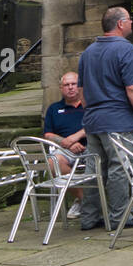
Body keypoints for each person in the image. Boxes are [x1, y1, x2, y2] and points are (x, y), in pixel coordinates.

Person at [76, 6, 133, 232]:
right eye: (130, 20)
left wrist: (91, 113)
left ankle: (89, 218)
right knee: (120, 167)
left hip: (93, 120)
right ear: (120, 24)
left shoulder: (87, 52)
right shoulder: (126, 50)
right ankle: (119, 218)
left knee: (94, 169)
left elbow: (81, 92)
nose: (132, 24)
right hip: (117, 119)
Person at [43, 71, 87, 217]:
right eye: (66, 85)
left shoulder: (89, 105)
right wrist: (65, 143)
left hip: (90, 147)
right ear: (61, 88)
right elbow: (48, 134)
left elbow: (96, 124)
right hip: (65, 150)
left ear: (79, 86)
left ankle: (90, 201)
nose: (70, 87)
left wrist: (75, 137)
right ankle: (85, 199)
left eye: (73, 84)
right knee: (52, 162)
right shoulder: (54, 109)